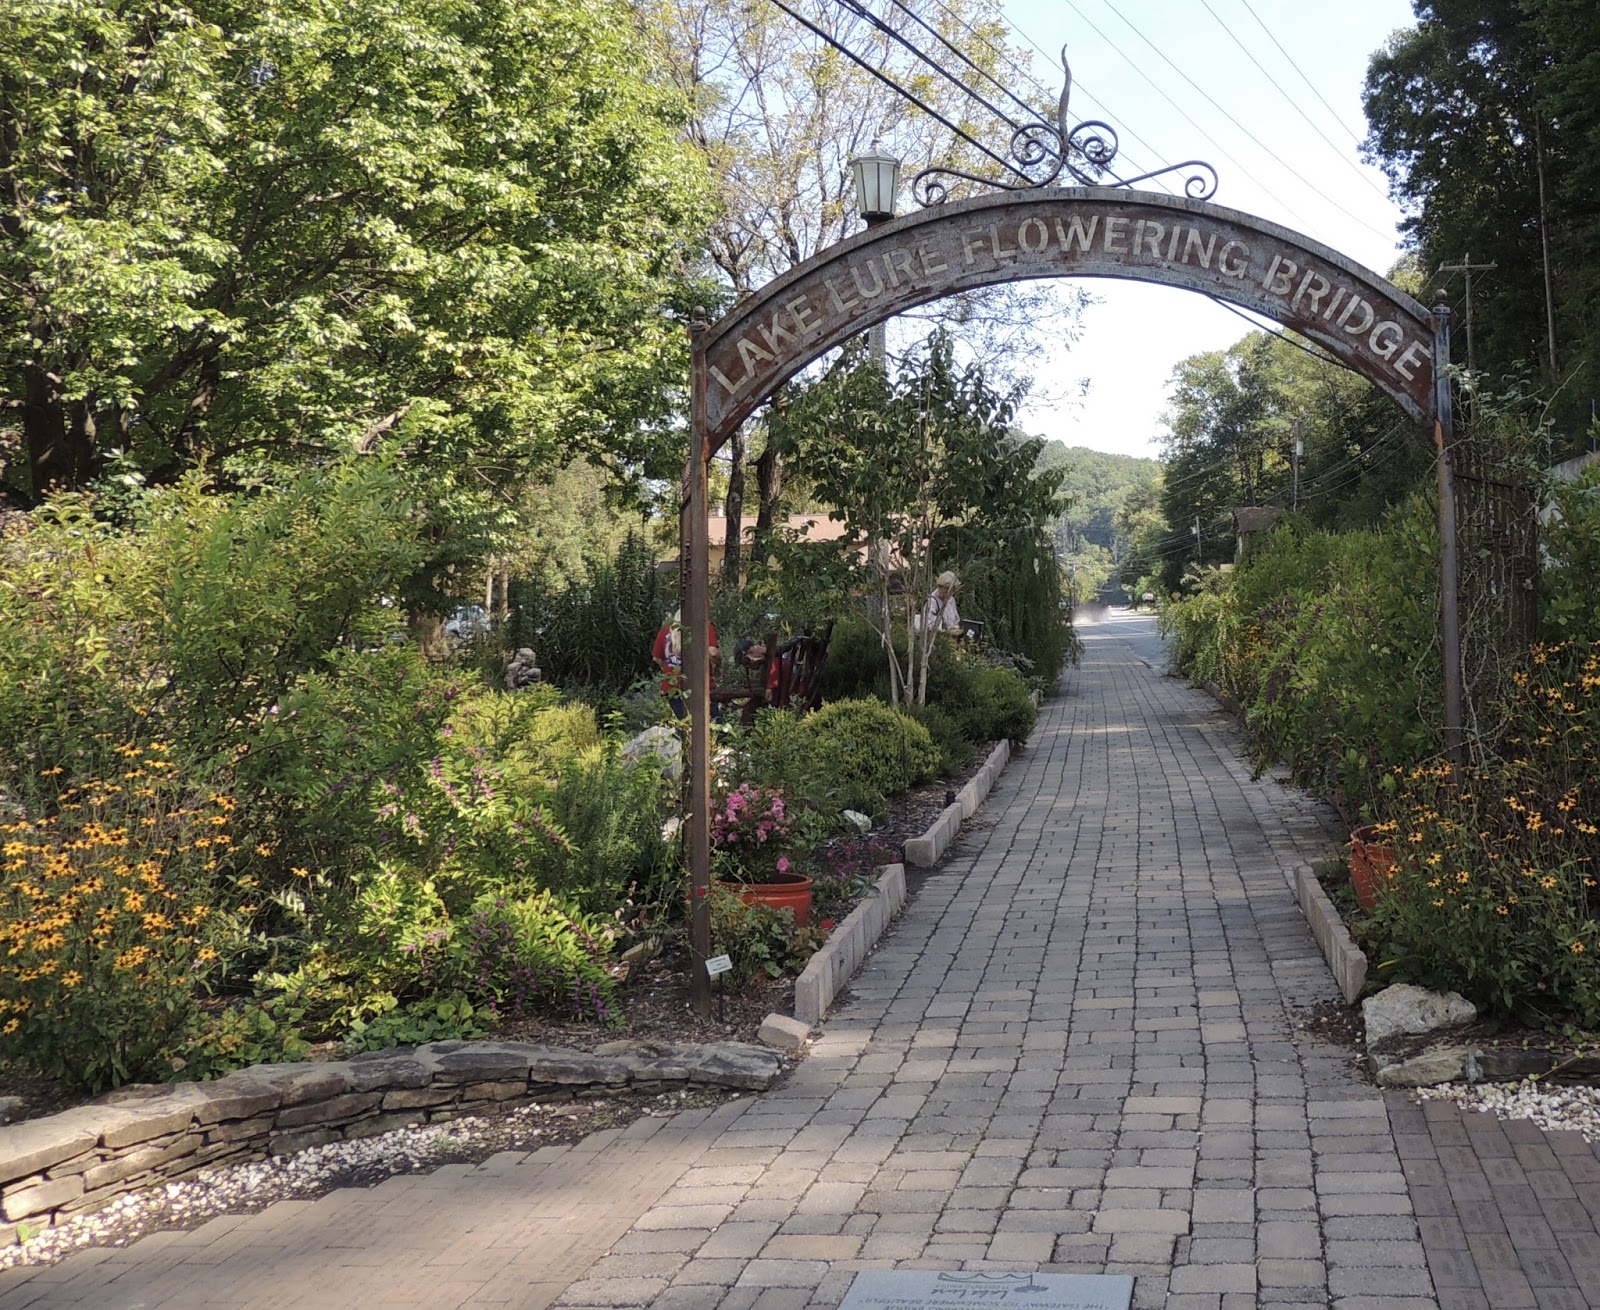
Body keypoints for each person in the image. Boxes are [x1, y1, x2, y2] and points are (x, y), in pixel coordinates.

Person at [652, 609, 719, 718]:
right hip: (701, 685)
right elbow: (712, 652)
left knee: (683, 722)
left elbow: (656, 658)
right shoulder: (704, 627)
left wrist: (669, 669)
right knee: (713, 720)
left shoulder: (665, 631)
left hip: (672, 687)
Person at [921, 570, 962, 635]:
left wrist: (956, 629)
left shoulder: (951, 600)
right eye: (946, 590)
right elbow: (928, 626)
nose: (949, 593)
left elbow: (956, 620)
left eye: (952, 590)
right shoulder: (931, 602)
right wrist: (947, 632)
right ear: (940, 587)